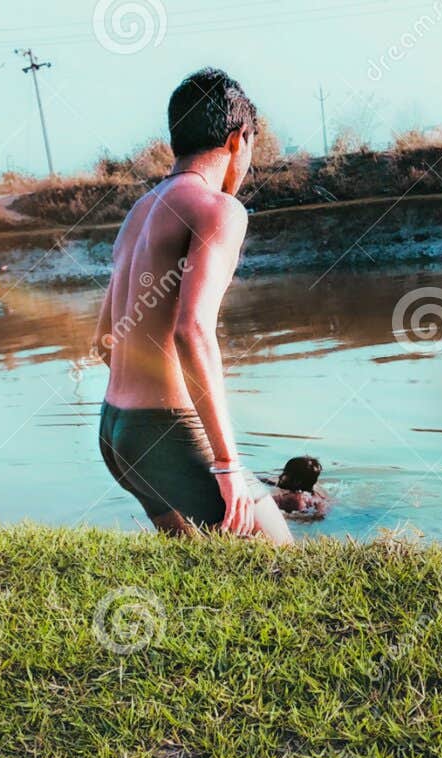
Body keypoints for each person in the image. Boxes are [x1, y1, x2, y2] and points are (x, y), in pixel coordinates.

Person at [93, 68, 292, 543]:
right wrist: (225, 463)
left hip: (115, 430)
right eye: (250, 151)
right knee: (284, 563)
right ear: (237, 138)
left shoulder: (139, 212)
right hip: (162, 430)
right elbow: (192, 331)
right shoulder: (219, 209)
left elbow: (104, 341)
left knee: (197, 563)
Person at [262, 456, 329, 520]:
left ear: (297, 481)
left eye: (285, 474)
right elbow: (320, 515)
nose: (280, 476)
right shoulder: (317, 493)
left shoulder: (297, 499)